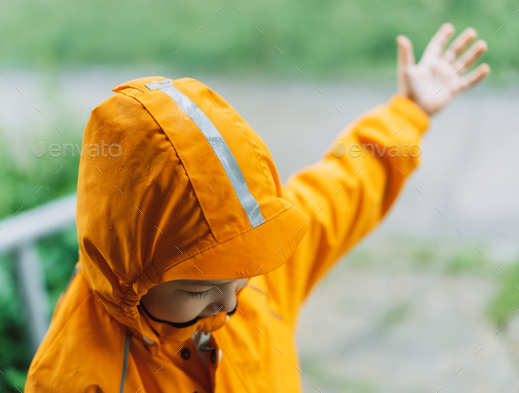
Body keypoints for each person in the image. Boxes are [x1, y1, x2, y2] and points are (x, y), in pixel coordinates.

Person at [25, 23, 489, 392]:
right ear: (130, 274)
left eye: (240, 276)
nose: (230, 302)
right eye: (198, 290)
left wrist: (409, 112)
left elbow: (344, 187)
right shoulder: (74, 380)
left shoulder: (255, 267)